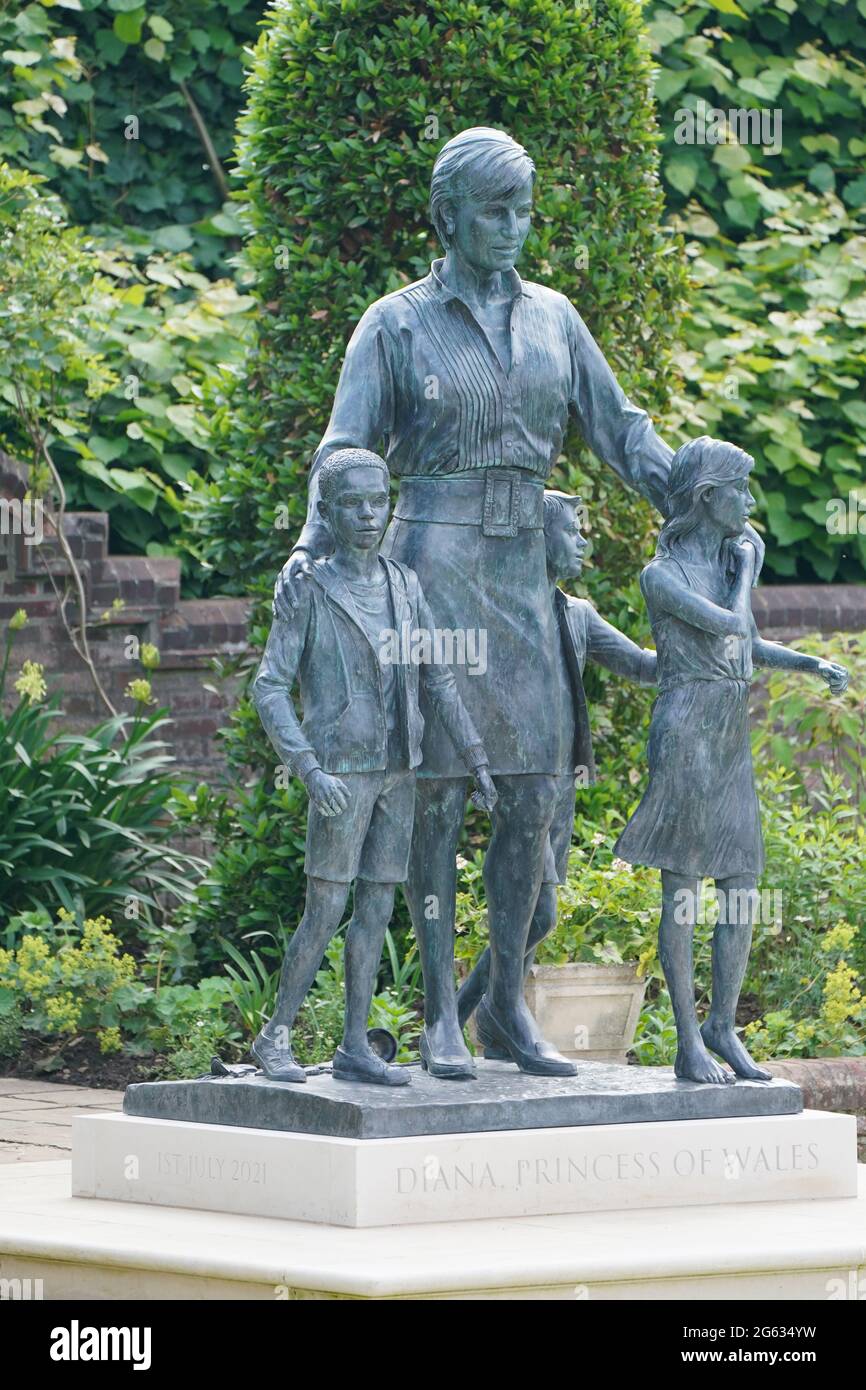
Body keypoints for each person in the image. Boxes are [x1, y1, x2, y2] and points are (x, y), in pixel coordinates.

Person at [273, 127, 765, 1080]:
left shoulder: (554, 318)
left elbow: (624, 432)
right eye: (493, 210)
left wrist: (696, 497)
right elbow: (341, 449)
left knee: (537, 793)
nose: (512, 228)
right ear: (446, 214)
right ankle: (435, 1019)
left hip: (521, 579)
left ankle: (504, 1000)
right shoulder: (396, 323)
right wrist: (310, 553)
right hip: (433, 563)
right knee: (441, 794)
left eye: (523, 210)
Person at [251, 448, 497, 1086]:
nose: (368, 514)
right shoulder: (308, 587)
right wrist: (307, 768)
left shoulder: (405, 585)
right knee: (325, 910)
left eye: (378, 500)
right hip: (340, 773)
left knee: (376, 910)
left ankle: (355, 1046)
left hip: (398, 772)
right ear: (326, 513)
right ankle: (274, 1035)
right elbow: (269, 685)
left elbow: (437, 679)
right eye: (353, 503)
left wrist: (475, 758)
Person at [614, 437, 848, 1084]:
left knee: (741, 883)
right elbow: (728, 628)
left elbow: (744, 648)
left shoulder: (723, 562)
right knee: (682, 887)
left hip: (727, 735)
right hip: (686, 731)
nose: (749, 502)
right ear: (707, 497)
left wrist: (806, 661)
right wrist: (748, 572)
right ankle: (689, 1041)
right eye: (739, 490)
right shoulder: (662, 575)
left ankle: (722, 1024)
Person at [456, 490, 658, 1044]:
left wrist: (702, 653)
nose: (585, 540)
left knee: (532, 915)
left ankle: (485, 1027)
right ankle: (468, 1015)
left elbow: (640, 666)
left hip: (560, 785)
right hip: (521, 780)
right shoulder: (500, 611)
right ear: (538, 538)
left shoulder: (576, 613)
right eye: (573, 530)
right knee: (537, 915)